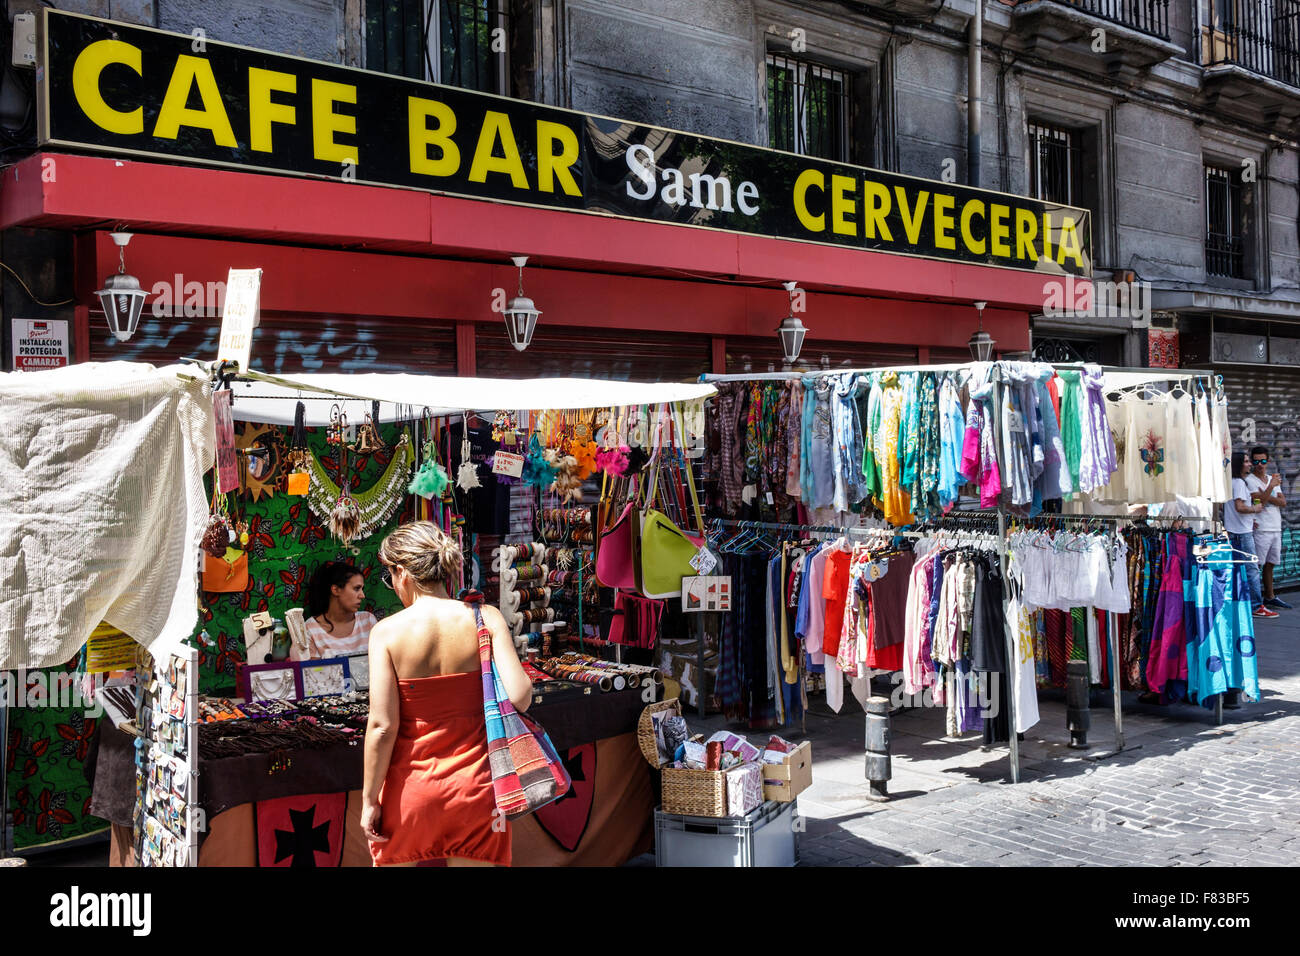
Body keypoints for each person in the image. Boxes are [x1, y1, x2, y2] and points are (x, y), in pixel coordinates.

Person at [362, 521, 532, 867]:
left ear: (402, 572)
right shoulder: (486, 617)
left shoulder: (386, 633)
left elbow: (382, 726)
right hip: (479, 788)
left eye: (389, 577)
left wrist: (369, 800)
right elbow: (520, 696)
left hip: (410, 790)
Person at [293, 561, 378, 660]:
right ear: (335, 590)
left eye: (362, 589)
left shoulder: (368, 621)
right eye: (356, 588)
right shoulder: (311, 628)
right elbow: (312, 672)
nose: (362, 595)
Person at [1225, 452, 1273, 618]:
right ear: (1239, 465)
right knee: (1252, 569)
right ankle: (1256, 606)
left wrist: (1250, 519)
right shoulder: (1238, 483)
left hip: (1237, 530)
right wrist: (1255, 509)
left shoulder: (1232, 482)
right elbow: (1239, 507)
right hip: (1241, 534)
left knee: (1237, 569)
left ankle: (1242, 603)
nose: (1250, 464)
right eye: (1246, 461)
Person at [1245, 445, 1290, 610]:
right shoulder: (1249, 481)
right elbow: (1259, 503)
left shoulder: (1272, 479)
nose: (1260, 464)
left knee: (1271, 564)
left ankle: (1270, 596)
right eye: (1256, 461)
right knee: (1256, 566)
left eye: (1263, 461)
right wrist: (1270, 489)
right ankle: (1255, 602)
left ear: (1268, 461)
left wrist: (1264, 494)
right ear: (1251, 462)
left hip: (1275, 527)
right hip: (1260, 528)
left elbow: (1283, 502)